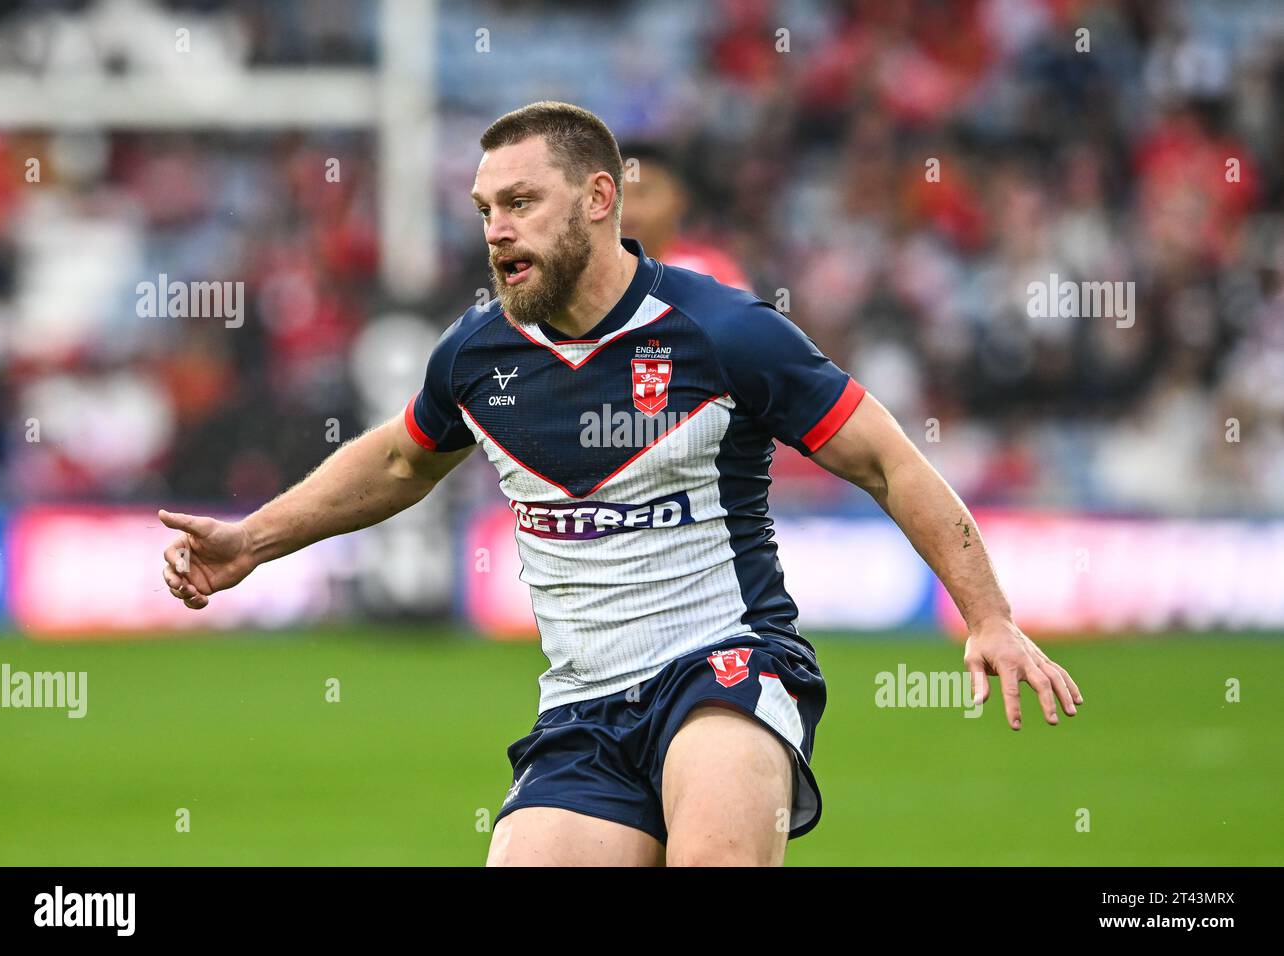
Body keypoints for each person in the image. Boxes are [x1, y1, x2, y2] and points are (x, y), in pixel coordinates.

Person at [159, 101, 1082, 867]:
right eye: (485, 209)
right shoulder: (477, 355)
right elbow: (402, 461)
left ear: (600, 199)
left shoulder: (724, 333)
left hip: (725, 663)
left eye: (521, 202)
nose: (497, 230)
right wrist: (252, 540)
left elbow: (887, 459)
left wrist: (988, 616)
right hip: (582, 704)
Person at [618, 139, 752, 290]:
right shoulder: (592, 275)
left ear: (679, 199)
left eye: (642, 193)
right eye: (618, 195)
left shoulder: (710, 274)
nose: (627, 210)